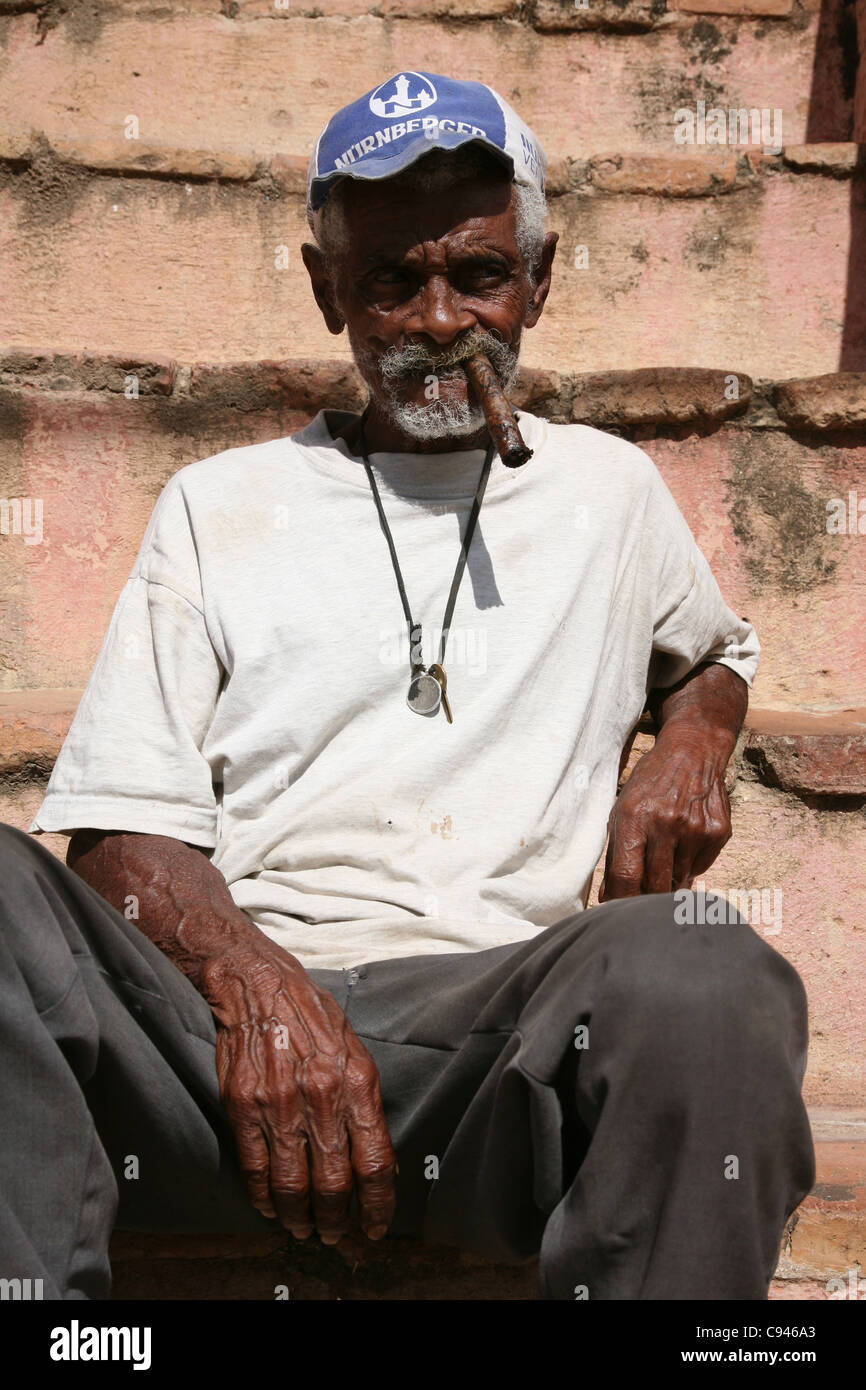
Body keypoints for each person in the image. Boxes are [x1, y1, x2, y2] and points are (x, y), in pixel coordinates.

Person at [2, 71, 814, 1301]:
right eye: (389, 280)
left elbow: (711, 650)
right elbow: (120, 835)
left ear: (538, 278)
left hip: (497, 1054)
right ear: (330, 290)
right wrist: (257, 983)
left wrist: (691, 739)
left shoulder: (608, 492)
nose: (437, 322)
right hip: (214, 1054)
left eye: (477, 276)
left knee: (704, 964)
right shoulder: (218, 505)